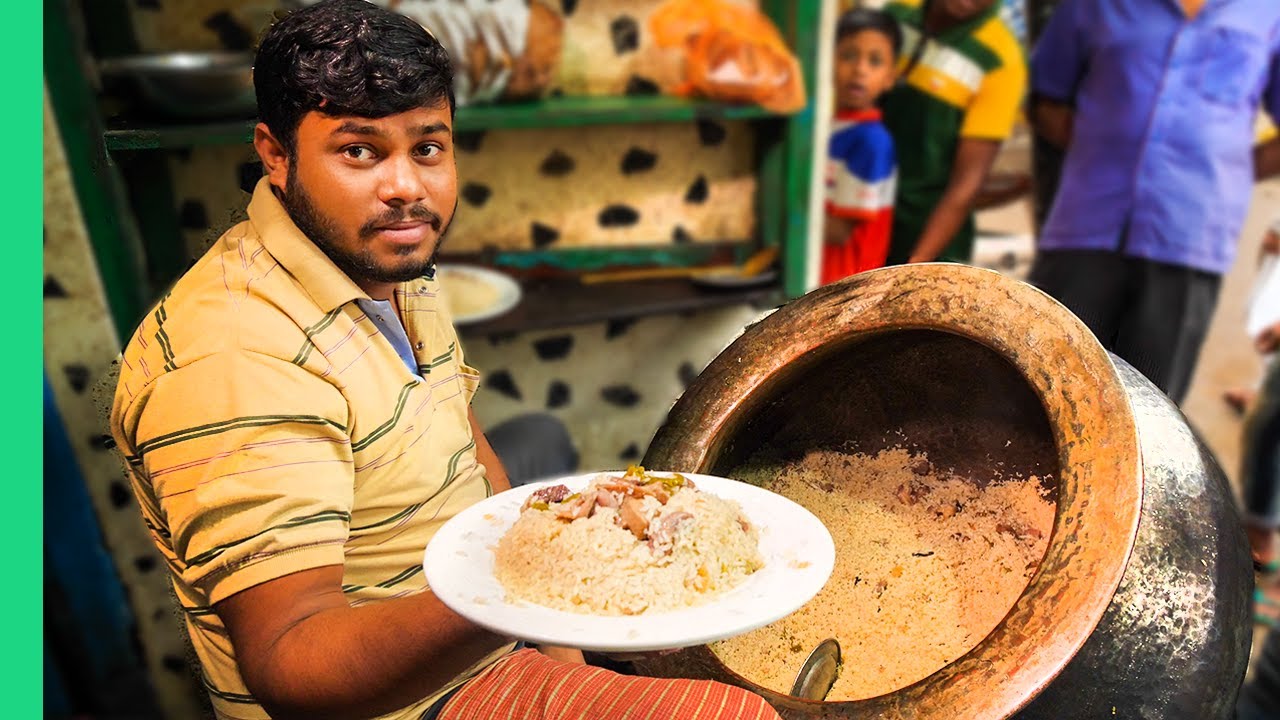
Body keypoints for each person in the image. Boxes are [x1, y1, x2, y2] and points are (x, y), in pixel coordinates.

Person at [107, 2, 782, 719]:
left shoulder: (388, 262)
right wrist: (537, 586)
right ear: (275, 154)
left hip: (476, 624)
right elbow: (294, 669)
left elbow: (469, 448)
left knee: (540, 442)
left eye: (427, 147)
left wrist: (567, 650)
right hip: (408, 700)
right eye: (359, 151)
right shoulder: (237, 357)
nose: (406, 187)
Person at [1027, 0, 1280, 405]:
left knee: (1151, 408)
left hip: (1191, 235)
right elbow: (1047, 101)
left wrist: (1230, 169)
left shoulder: (1269, 13)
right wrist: (1099, 153)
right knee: (1046, 386)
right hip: (1085, 221)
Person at [878, 0, 1027, 265]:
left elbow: (966, 184)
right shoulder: (898, 12)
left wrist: (916, 264)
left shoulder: (1001, 60)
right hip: (856, 216)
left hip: (925, 236)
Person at [821, 8, 901, 284]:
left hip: (844, 289)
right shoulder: (829, 126)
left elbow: (840, 231)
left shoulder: (871, 142)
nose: (859, 70)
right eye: (848, 56)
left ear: (890, 77)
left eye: (875, 61)